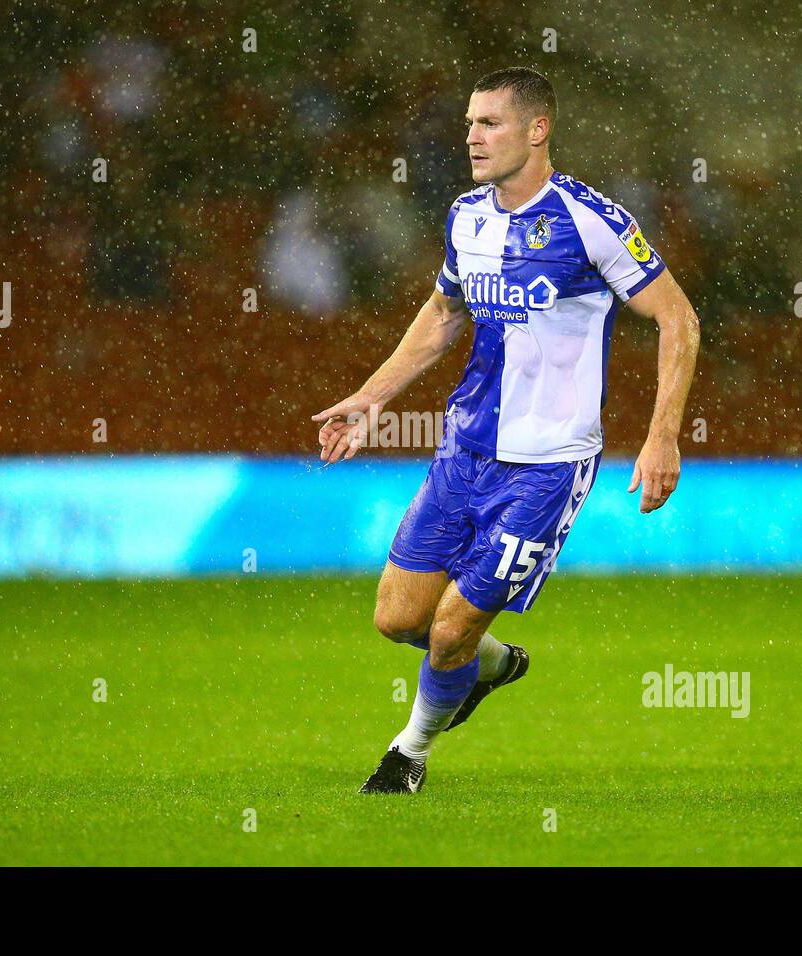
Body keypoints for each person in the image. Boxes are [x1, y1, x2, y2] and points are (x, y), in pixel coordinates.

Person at [312, 67, 701, 793]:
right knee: (399, 620)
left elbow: (678, 317)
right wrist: (370, 398)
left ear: (537, 129)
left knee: (451, 629)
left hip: (546, 467)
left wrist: (663, 436)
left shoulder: (593, 221)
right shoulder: (467, 216)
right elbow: (444, 313)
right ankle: (495, 666)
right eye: (469, 123)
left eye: (489, 122)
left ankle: (408, 753)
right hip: (463, 453)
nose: (472, 136)